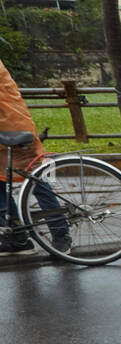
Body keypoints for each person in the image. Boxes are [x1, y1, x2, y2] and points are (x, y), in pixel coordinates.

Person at [0, 57, 70, 255]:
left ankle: (61, 234)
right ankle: (17, 239)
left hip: (12, 127)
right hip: (5, 129)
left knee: (37, 180)